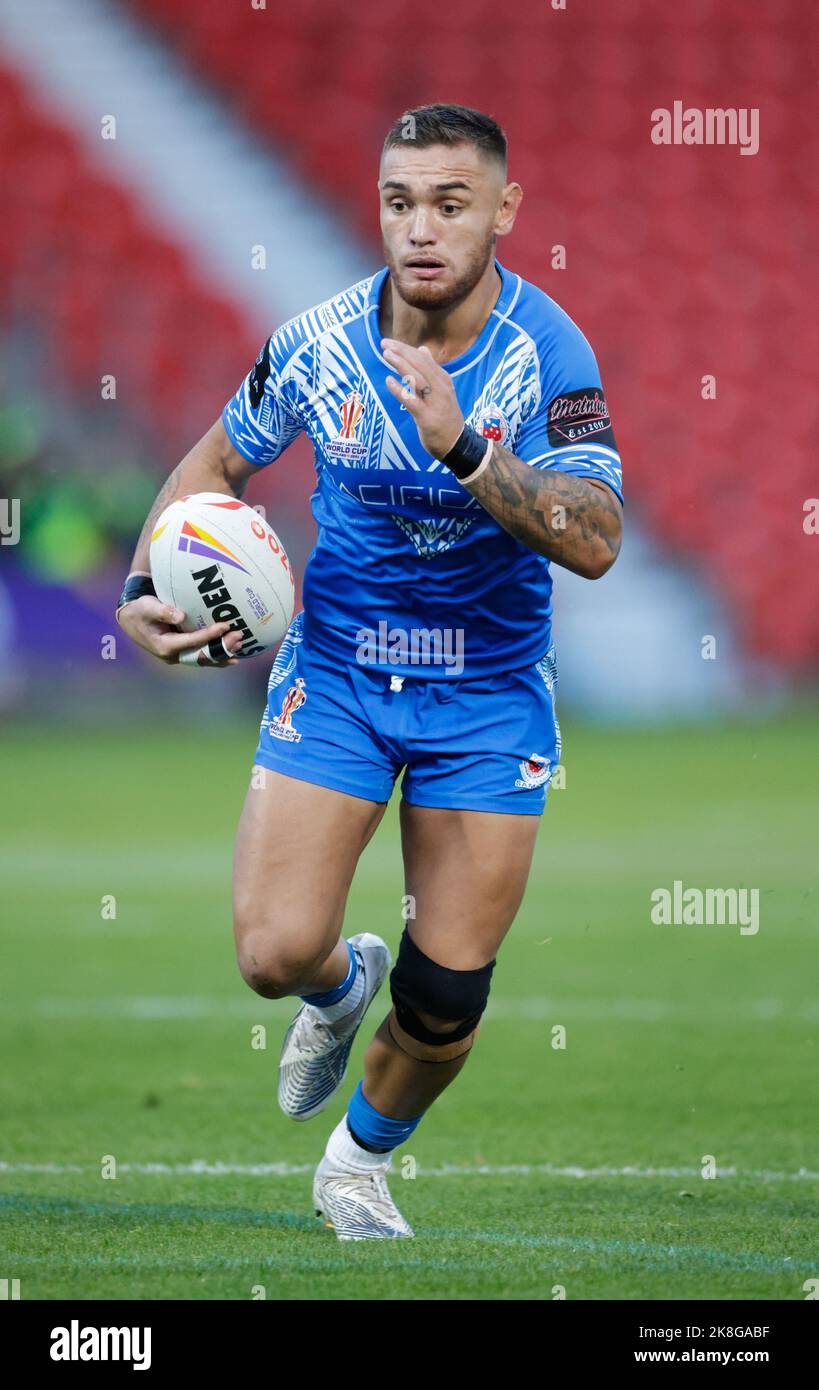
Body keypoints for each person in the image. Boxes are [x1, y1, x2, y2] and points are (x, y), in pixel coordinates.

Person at [116, 103, 623, 1240]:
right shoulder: (318, 342)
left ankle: (355, 1164)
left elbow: (596, 538)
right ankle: (342, 987)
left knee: (443, 1000)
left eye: (450, 203)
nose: (421, 228)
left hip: (486, 694)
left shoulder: (549, 354)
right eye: (400, 202)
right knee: (271, 955)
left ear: (504, 209)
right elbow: (212, 463)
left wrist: (465, 447)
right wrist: (144, 587)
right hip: (340, 674)